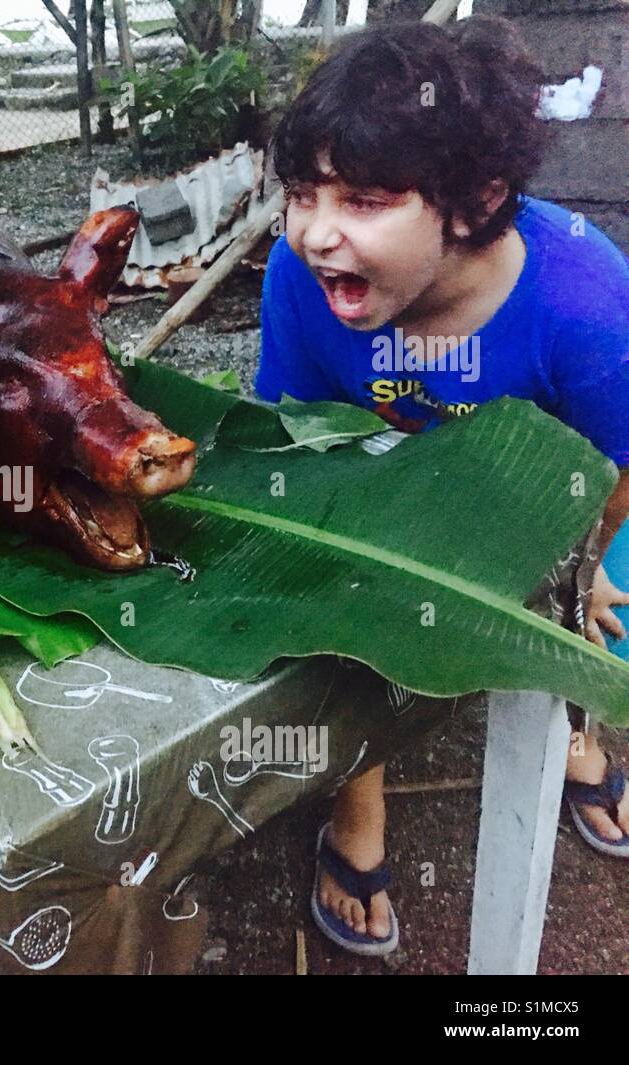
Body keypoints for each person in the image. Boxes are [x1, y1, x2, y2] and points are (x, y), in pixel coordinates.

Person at [254, 15, 629, 956]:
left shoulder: (582, 300)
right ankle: (357, 793)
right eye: (303, 194)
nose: (315, 232)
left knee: (599, 623)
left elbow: (619, 464)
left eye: (365, 199)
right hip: (388, 485)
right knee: (322, 587)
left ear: (475, 201)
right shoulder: (301, 282)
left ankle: (572, 728)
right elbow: (297, 448)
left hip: (552, 499)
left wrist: (581, 569)